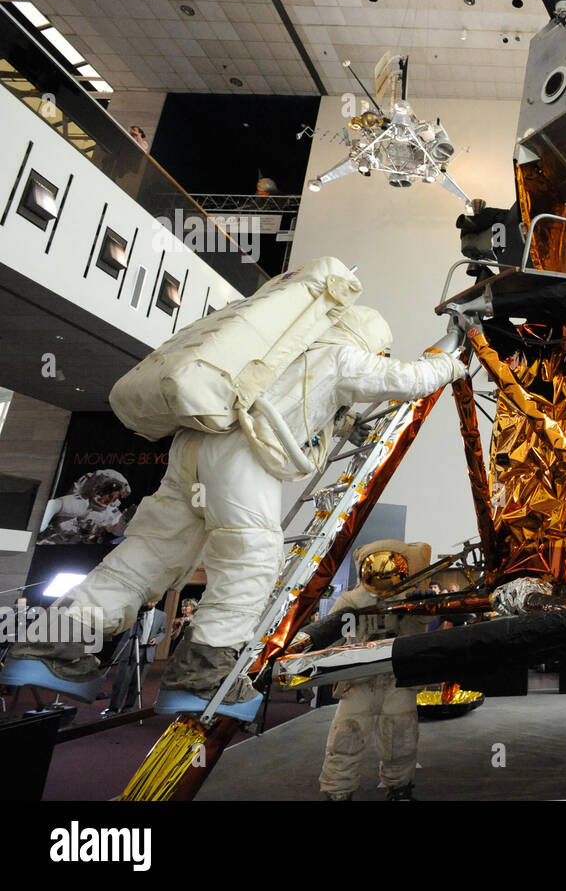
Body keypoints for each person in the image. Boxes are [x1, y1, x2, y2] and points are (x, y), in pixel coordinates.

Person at [1, 306, 467, 720]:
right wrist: (452, 359)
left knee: (146, 556)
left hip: (195, 445)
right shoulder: (342, 355)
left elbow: (325, 412)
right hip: (242, 454)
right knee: (250, 560)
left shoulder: (284, 358)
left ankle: (50, 646)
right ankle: (200, 679)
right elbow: (410, 380)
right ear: (370, 339)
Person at [305, 540, 438, 801]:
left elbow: (425, 619)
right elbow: (331, 634)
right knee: (345, 738)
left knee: (400, 739)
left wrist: (426, 603)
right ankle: (338, 790)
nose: (383, 572)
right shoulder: (351, 601)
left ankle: (399, 787)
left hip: (396, 678)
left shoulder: (409, 597)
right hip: (359, 681)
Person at [104, 600, 167, 715]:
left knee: (137, 683)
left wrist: (157, 639)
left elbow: (163, 632)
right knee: (121, 681)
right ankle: (113, 708)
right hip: (130, 650)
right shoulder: (135, 612)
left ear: (157, 601)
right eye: (149, 600)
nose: (150, 603)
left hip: (147, 652)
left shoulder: (162, 615)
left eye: (153, 601)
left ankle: (128, 708)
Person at [36, 470, 132, 545]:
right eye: (106, 491)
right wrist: (42, 525)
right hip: (52, 541)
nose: (107, 498)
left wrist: (125, 520)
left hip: (76, 549)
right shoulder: (81, 502)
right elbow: (55, 505)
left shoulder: (111, 512)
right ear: (98, 488)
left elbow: (118, 531)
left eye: (113, 496)